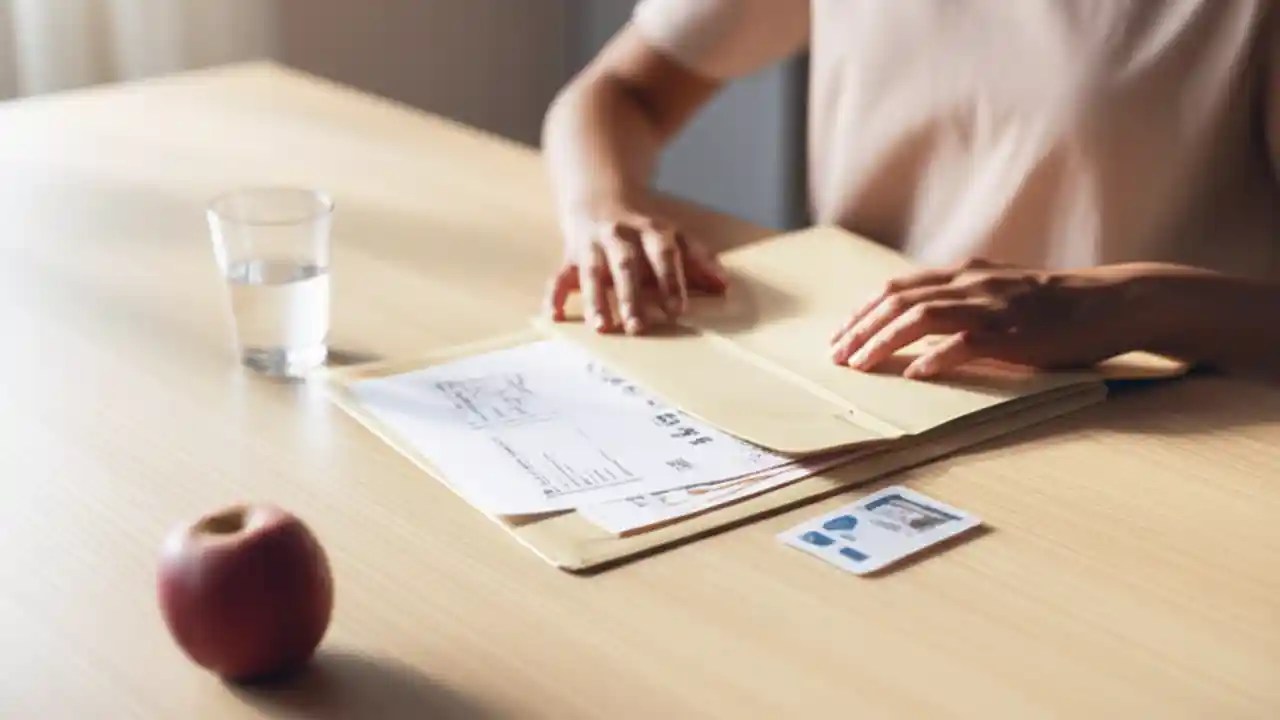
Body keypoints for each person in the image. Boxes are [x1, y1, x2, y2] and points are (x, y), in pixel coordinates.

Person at [542, 1, 1280, 378]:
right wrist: (602, 209)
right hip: (861, 380)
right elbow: (620, 91)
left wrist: (1134, 302)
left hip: (1155, 423)